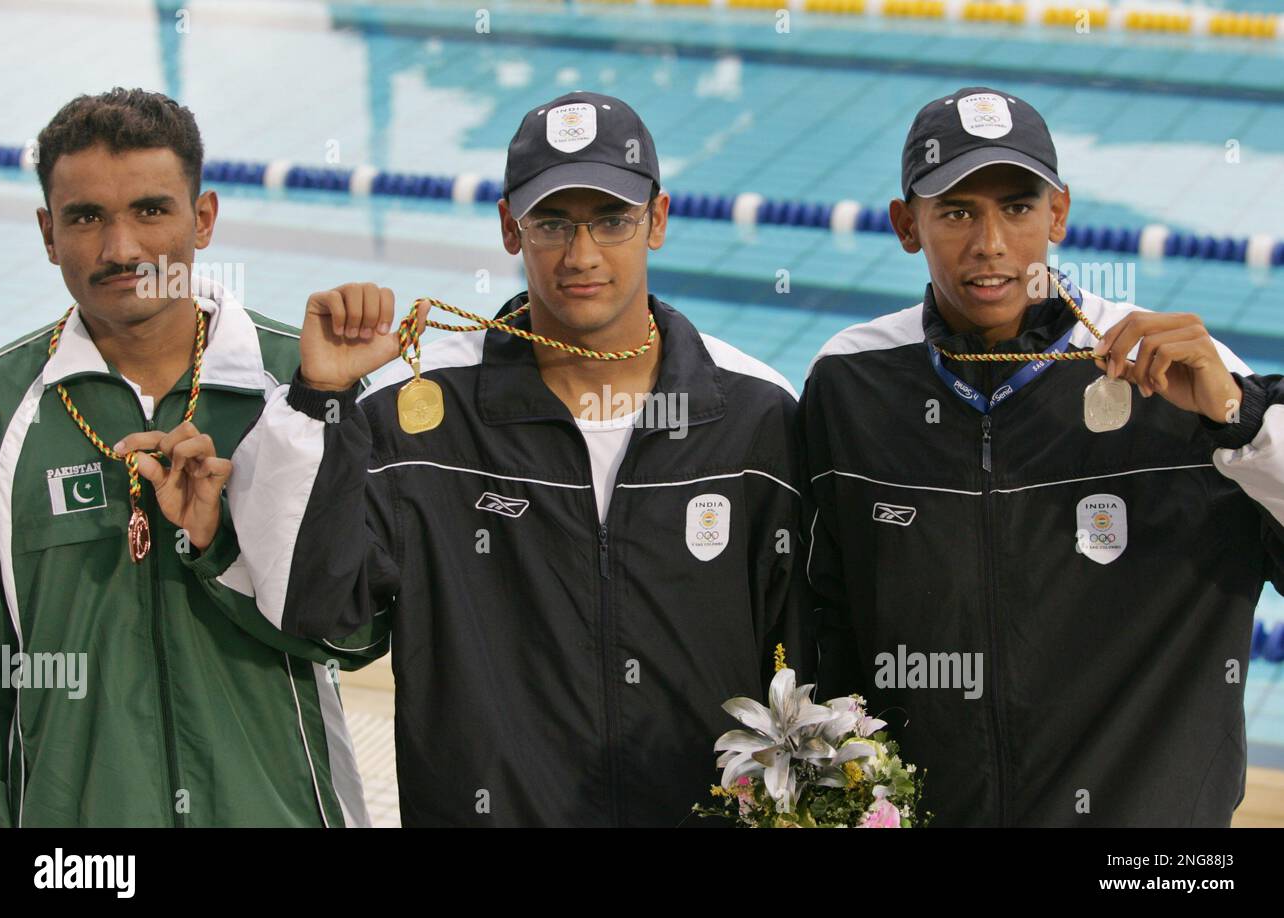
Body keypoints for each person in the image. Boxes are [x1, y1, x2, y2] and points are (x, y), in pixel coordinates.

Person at [214, 91, 811, 826]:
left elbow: (807, 662)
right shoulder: (417, 418)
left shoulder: (753, 414)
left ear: (656, 220)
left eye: (612, 220)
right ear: (509, 226)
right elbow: (321, 612)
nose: (581, 253)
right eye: (553, 222)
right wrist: (320, 400)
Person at [801, 86, 1284, 827]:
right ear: (906, 225)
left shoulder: (1180, 375)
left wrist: (1240, 421)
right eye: (957, 211)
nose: (991, 243)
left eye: (1018, 208)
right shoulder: (853, 382)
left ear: (1058, 213)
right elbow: (820, 619)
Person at [0, 88, 383, 827]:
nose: (121, 249)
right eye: (85, 217)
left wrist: (223, 543)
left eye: (150, 210)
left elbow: (357, 637)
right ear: (46, 232)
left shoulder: (304, 385)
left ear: (203, 218)